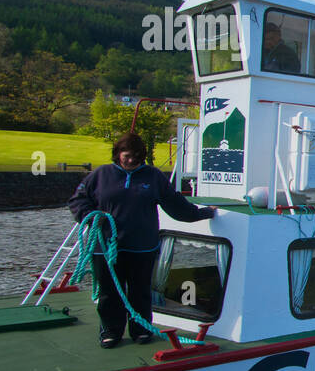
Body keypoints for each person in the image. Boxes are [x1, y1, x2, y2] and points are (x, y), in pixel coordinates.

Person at [67, 132, 217, 348]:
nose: (131, 160)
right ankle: (111, 331)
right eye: (126, 155)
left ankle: (142, 330)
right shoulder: (100, 175)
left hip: (142, 247)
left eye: (136, 156)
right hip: (106, 248)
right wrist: (90, 217)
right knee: (109, 292)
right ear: (118, 154)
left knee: (140, 291)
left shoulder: (153, 177)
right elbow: (78, 200)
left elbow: (175, 205)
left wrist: (202, 213)